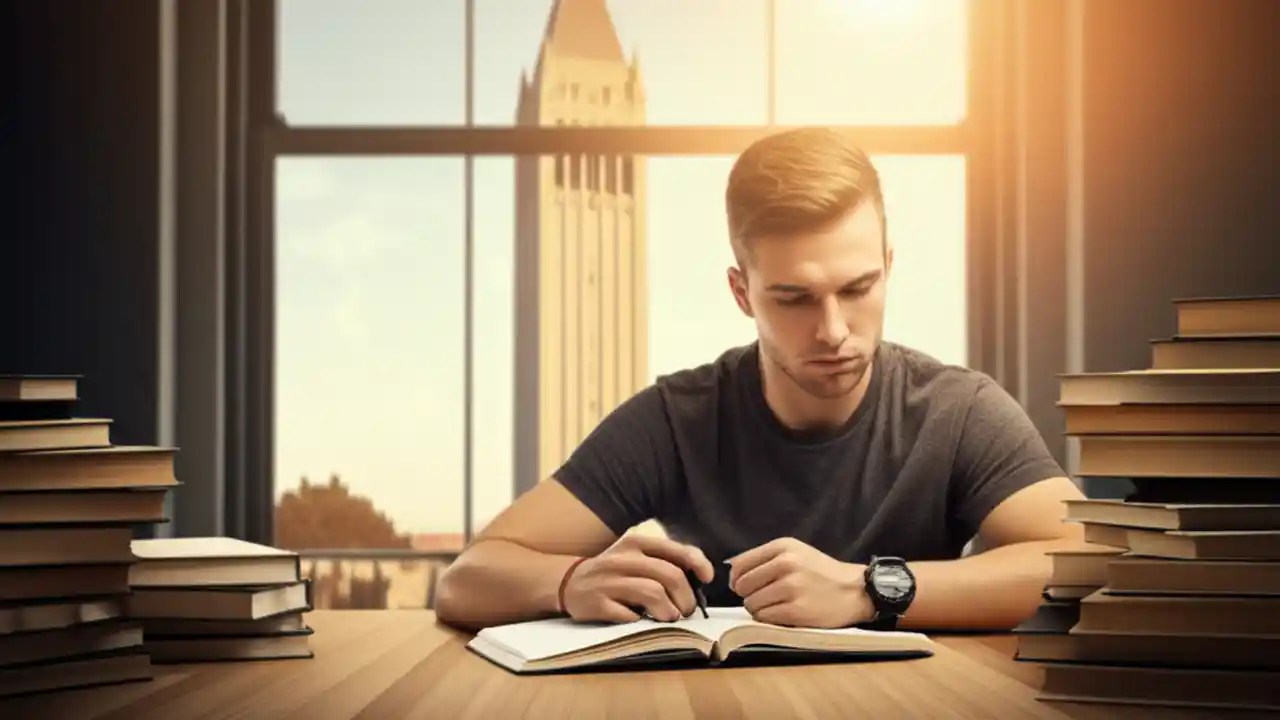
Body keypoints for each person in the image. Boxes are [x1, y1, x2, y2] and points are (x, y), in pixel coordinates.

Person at [436, 127, 1086, 633]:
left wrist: (866, 591)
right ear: (742, 292)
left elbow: (1080, 556)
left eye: (858, 288)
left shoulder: (958, 410)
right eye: (793, 298)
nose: (832, 329)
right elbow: (468, 578)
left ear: (887, 265)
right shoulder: (677, 418)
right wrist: (572, 581)